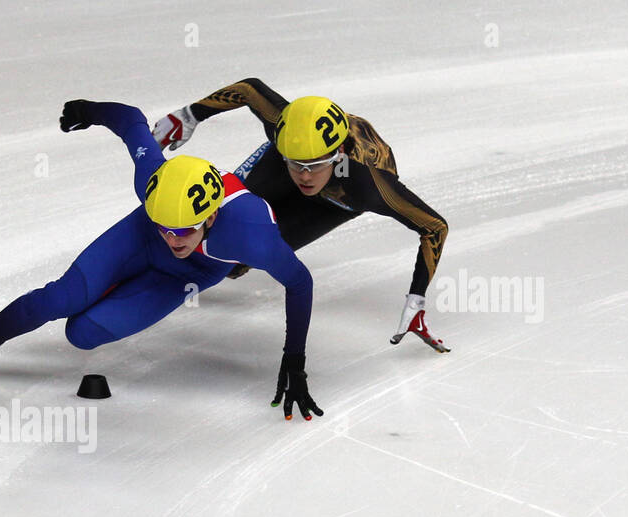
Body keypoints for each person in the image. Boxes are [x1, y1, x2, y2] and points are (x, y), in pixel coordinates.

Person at [0, 99, 324, 421]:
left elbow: (299, 282)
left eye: (183, 230)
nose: (173, 238)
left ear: (211, 217)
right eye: (166, 225)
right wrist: (89, 110)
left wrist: (295, 360)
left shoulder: (253, 235)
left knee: (82, 334)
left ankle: (107, 290)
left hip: (191, 273)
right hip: (138, 237)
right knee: (60, 298)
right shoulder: (152, 184)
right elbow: (132, 121)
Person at [152, 78, 451, 352]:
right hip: (285, 161)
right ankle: (151, 257)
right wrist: (189, 115)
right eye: (298, 165)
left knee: (237, 260)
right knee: (225, 217)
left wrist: (417, 299)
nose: (305, 177)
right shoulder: (286, 129)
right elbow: (248, 89)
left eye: (315, 165)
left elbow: (434, 227)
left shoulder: (367, 184)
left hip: (337, 201)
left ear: (339, 156)